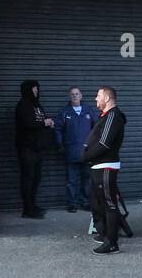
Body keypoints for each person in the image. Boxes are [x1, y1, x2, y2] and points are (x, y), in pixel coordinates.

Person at [83, 86, 128, 254]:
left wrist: (85, 156)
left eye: (98, 96)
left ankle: (112, 243)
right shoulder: (105, 116)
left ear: (107, 99)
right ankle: (105, 233)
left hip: (106, 167)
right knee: (97, 202)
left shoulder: (113, 116)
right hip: (98, 166)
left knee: (109, 205)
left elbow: (104, 144)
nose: (95, 99)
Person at [15, 79, 54, 218]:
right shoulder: (23, 105)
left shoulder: (37, 105)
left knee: (36, 178)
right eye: (33, 89)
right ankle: (27, 209)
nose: (36, 91)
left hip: (38, 148)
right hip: (27, 148)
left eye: (37, 89)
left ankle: (33, 205)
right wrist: (44, 122)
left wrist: (48, 123)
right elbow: (28, 123)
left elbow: (38, 122)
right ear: (27, 90)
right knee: (28, 178)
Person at [54, 87, 98, 212]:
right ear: (69, 96)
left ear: (81, 96)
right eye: (72, 94)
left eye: (77, 94)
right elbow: (57, 129)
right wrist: (60, 144)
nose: (74, 96)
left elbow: (97, 128)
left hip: (86, 152)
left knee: (87, 179)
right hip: (71, 151)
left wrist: (94, 146)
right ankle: (72, 204)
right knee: (71, 180)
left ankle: (84, 202)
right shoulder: (65, 112)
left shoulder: (88, 111)